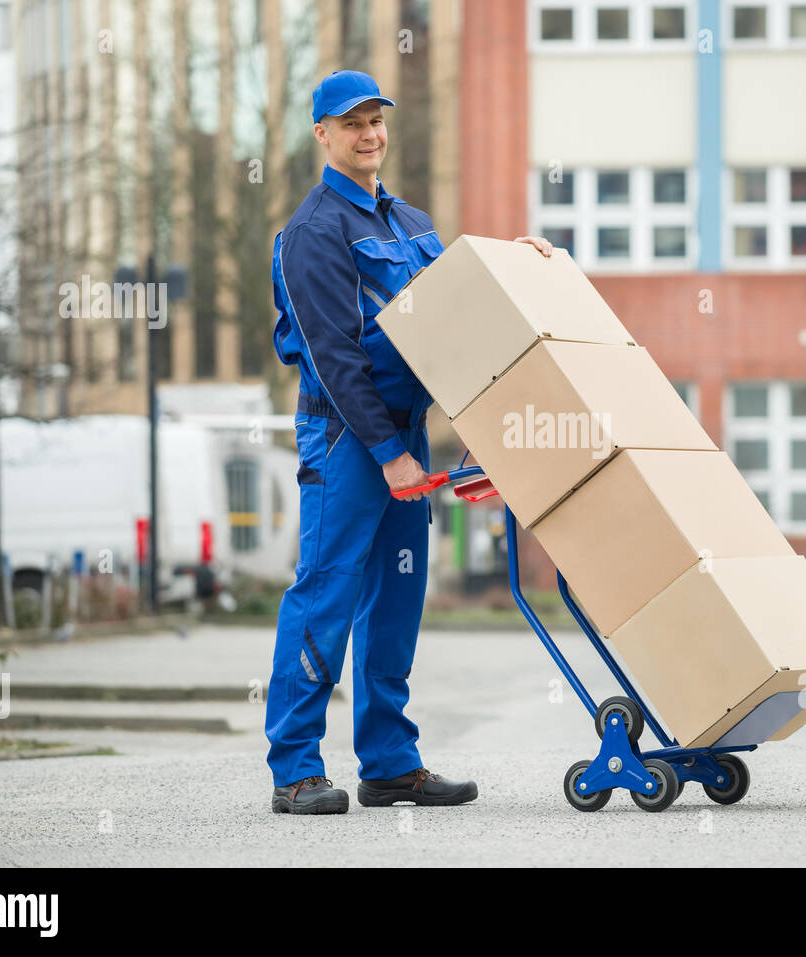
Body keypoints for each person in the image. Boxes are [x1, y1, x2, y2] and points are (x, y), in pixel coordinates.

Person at [265, 69, 553, 814]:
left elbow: (456, 318)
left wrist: (517, 266)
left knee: (396, 599)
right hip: (344, 441)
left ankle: (390, 762)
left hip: (407, 438)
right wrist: (387, 454)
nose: (369, 134)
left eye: (376, 121)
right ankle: (295, 767)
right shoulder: (311, 233)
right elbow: (335, 355)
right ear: (322, 134)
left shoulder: (411, 223)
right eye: (352, 122)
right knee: (325, 595)